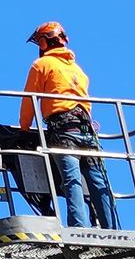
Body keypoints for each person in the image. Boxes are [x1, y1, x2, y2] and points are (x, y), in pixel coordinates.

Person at [18, 22, 119, 230]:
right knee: (98, 182)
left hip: (64, 132)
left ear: (45, 41)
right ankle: (111, 229)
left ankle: (79, 228)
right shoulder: (77, 70)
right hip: (87, 132)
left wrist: (24, 128)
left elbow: (29, 101)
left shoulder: (41, 65)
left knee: (72, 181)